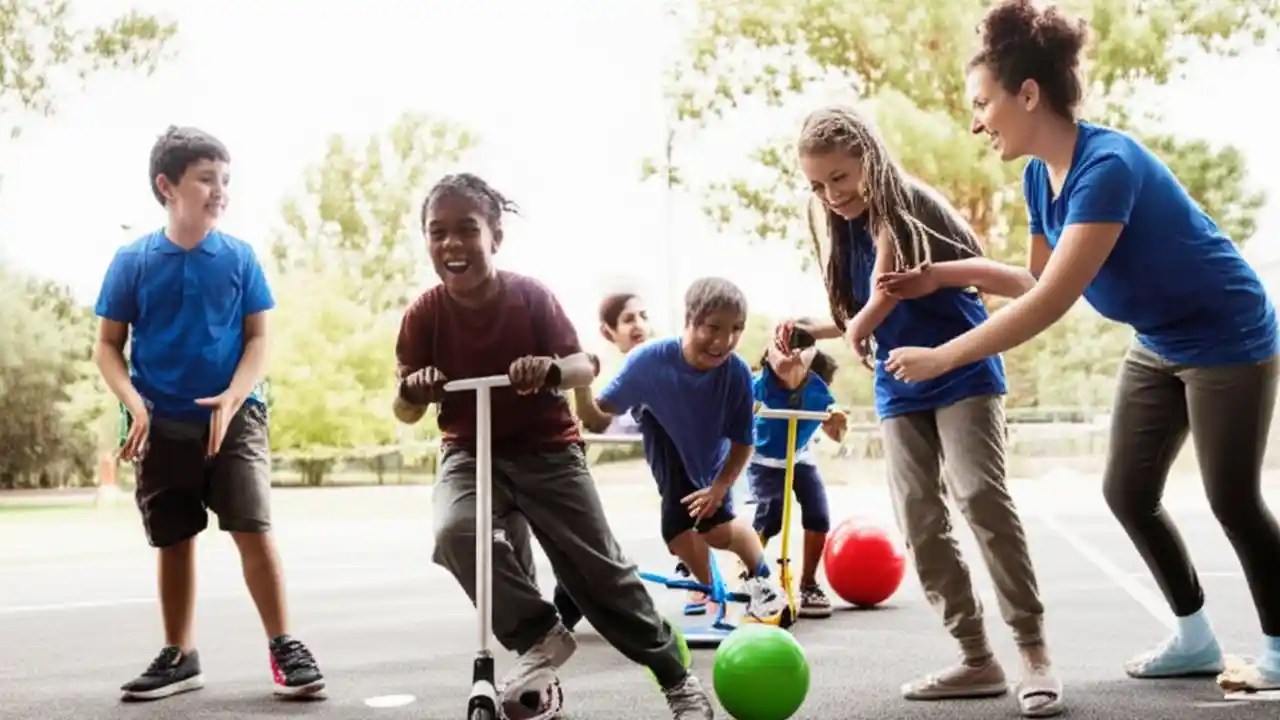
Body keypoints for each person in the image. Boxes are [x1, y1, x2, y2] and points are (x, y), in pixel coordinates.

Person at [880, 0, 1280, 696]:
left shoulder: (1107, 167)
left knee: (1232, 498)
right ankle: (1195, 636)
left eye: (983, 103)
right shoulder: (1041, 176)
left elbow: (1051, 302)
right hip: (1158, 341)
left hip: (1228, 338)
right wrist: (938, 276)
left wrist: (945, 357)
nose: (976, 123)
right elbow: (1034, 277)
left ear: (1028, 94)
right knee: (1127, 490)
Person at [393, 172, 714, 719]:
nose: (451, 244)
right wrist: (413, 388)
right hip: (471, 452)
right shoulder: (425, 314)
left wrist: (548, 370)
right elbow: (404, 408)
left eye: (466, 230)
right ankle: (541, 635)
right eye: (436, 232)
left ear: (495, 235)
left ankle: (677, 680)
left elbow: (583, 364)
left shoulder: (529, 297)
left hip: (546, 449)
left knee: (599, 573)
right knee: (455, 532)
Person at [781, 104, 1065, 717]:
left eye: (840, 177)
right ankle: (975, 657)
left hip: (961, 368)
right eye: (817, 185)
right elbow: (866, 310)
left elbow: (1006, 281)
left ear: (870, 161)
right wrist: (815, 329)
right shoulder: (843, 229)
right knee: (917, 516)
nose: (831, 195)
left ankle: (1033, 653)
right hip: (900, 383)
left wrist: (929, 282)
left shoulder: (907, 205)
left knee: (979, 496)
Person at [93, 126, 324, 701]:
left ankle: (284, 646)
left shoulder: (240, 258)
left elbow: (257, 340)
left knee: (252, 525)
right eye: (206, 179)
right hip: (160, 418)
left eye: (226, 180)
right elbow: (107, 347)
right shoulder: (133, 261)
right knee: (174, 537)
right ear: (167, 186)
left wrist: (233, 396)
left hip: (235, 415)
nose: (220, 190)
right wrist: (134, 403)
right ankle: (180, 655)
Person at [574, 277, 789, 625]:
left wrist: (720, 488)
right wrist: (581, 385)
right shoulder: (648, 361)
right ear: (688, 320)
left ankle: (762, 580)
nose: (724, 341)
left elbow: (743, 442)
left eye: (736, 329)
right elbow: (597, 419)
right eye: (713, 328)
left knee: (718, 531)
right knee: (677, 531)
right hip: (670, 450)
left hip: (714, 464)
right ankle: (708, 588)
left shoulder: (735, 374)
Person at [555, 292, 716, 631]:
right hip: (670, 462)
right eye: (629, 319)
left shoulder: (652, 358)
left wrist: (582, 387)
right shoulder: (635, 367)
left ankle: (716, 593)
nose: (639, 325)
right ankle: (711, 587)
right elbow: (611, 420)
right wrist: (581, 386)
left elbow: (598, 417)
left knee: (681, 527)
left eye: (643, 316)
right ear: (607, 331)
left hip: (686, 458)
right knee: (690, 530)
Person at [749, 327, 847, 619]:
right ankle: (753, 575)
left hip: (800, 456)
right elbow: (732, 417)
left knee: (818, 513)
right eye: (781, 350)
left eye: (798, 352)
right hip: (765, 459)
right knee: (772, 514)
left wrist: (837, 420)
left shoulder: (817, 389)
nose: (790, 358)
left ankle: (808, 583)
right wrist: (746, 411)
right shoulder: (758, 385)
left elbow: (837, 433)